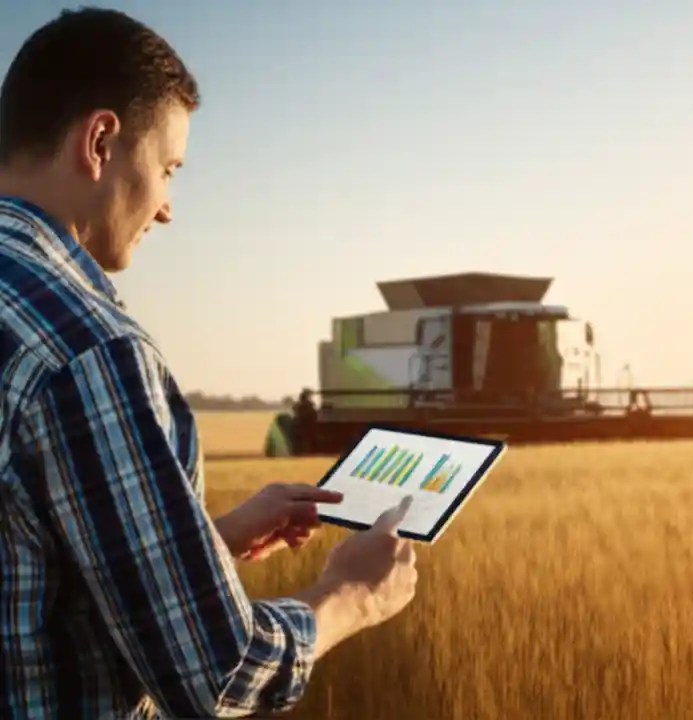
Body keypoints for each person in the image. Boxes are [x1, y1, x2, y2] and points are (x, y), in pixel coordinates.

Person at [0, 8, 419, 719]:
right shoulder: (87, 350)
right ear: (100, 141)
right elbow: (213, 673)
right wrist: (350, 597)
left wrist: (203, 542)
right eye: (169, 168)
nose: (166, 208)